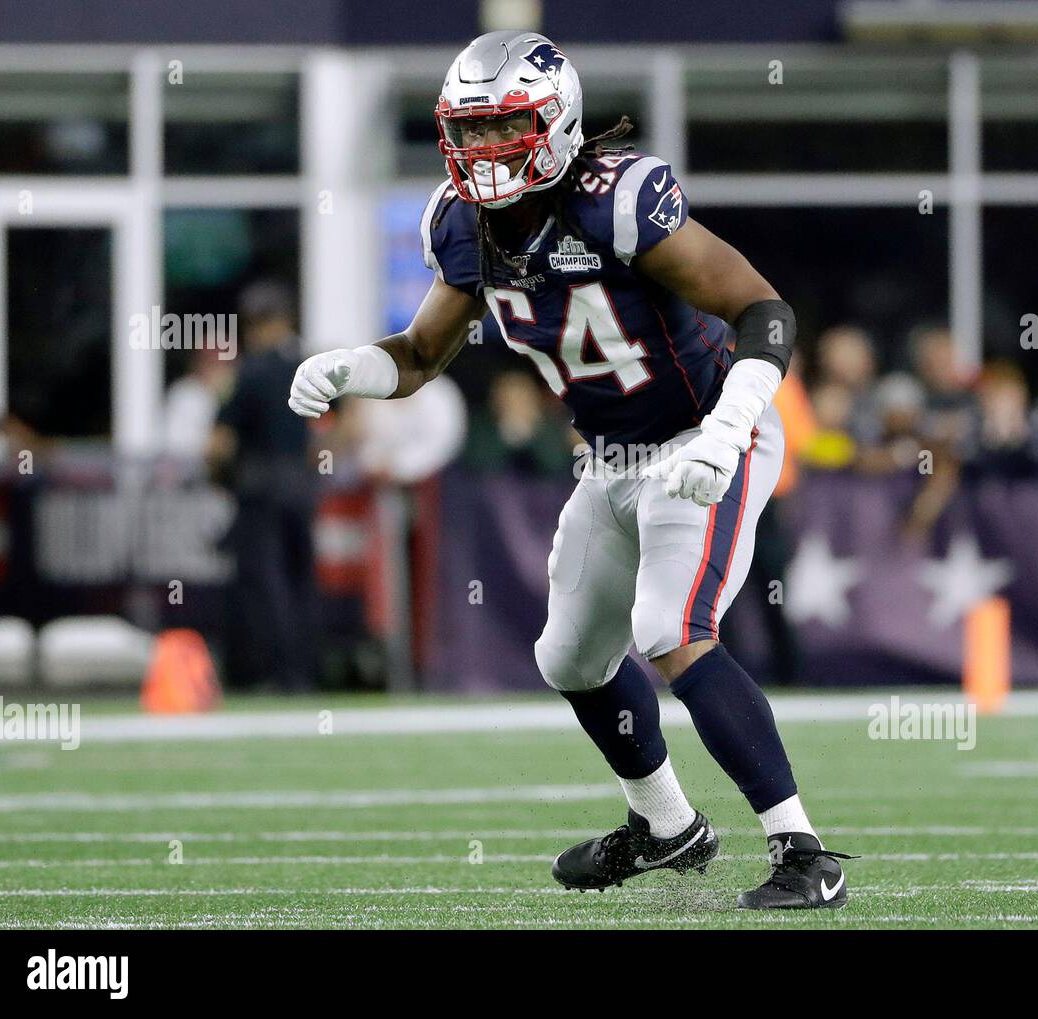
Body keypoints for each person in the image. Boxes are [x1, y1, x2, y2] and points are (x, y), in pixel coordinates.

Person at [288, 31, 852, 909]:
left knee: (669, 628)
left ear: (554, 123)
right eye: (466, 133)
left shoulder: (617, 200)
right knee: (571, 655)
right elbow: (422, 352)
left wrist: (729, 425)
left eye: (501, 128)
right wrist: (351, 367)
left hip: (705, 435)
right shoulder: (462, 221)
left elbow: (763, 310)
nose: (480, 152)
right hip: (611, 459)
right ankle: (667, 826)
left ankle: (803, 852)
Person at [210, 280, 318, 691]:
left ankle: (276, 675)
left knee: (266, 585)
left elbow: (218, 444)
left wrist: (218, 477)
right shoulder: (311, 362)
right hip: (301, 488)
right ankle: (307, 674)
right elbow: (343, 425)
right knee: (302, 582)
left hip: (259, 489)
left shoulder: (249, 372)